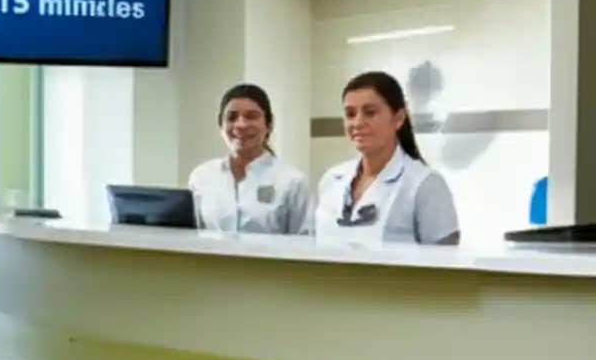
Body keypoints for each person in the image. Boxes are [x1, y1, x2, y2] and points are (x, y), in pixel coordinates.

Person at [314, 71, 460, 245]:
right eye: (350, 114)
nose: (358, 123)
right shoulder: (331, 180)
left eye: (370, 112)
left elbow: (445, 265)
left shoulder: (426, 185)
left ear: (398, 119)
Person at [187, 84, 313, 235]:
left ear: (269, 125)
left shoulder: (292, 181)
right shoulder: (202, 177)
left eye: (251, 116)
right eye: (231, 117)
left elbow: (304, 244)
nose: (241, 125)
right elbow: (192, 238)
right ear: (221, 125)